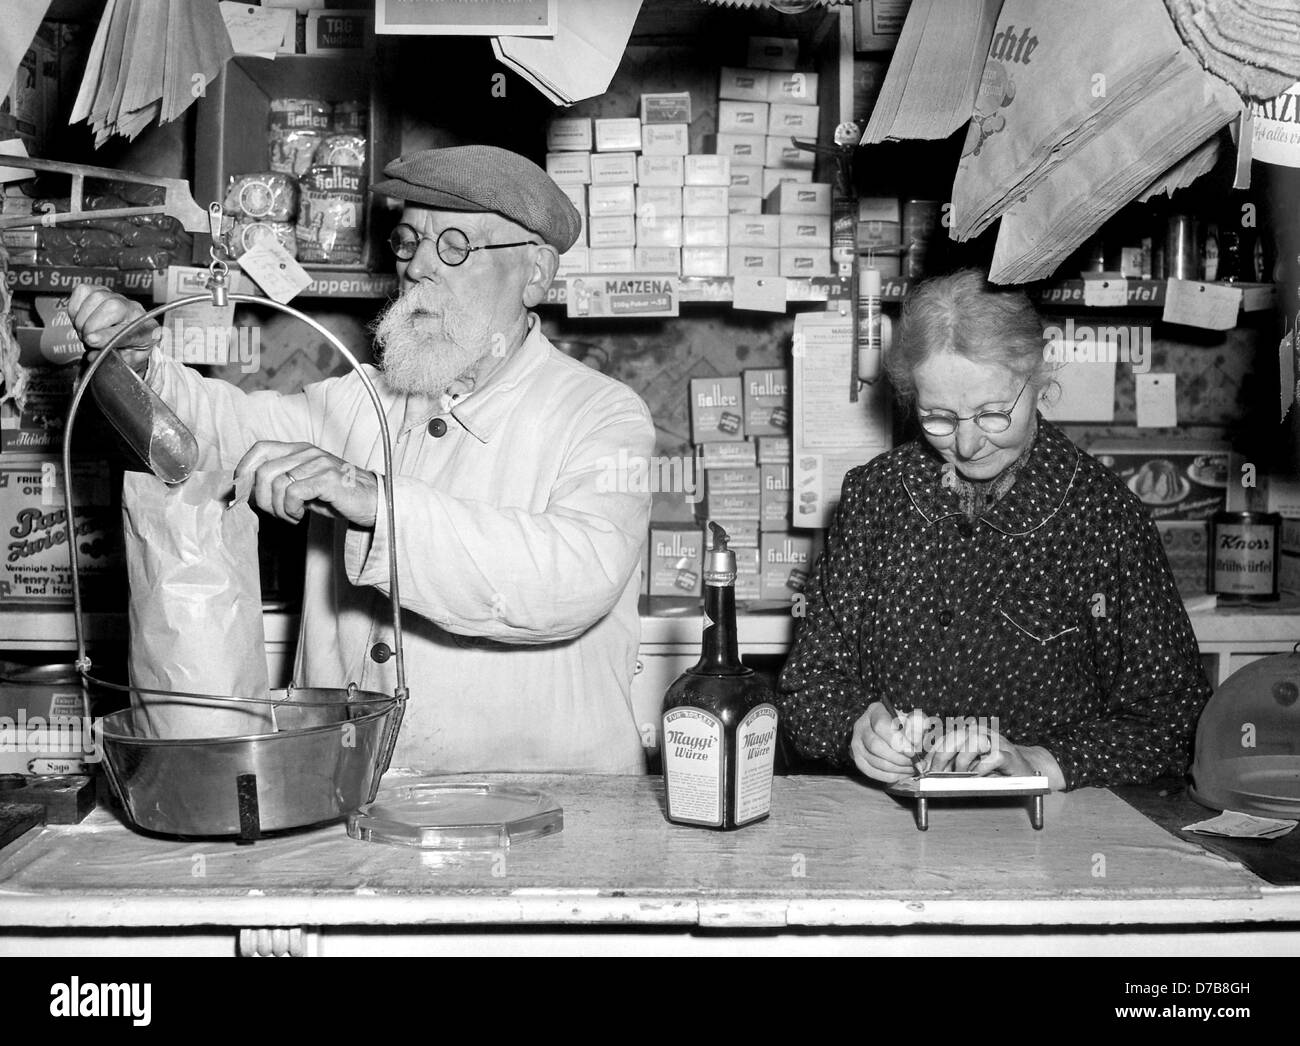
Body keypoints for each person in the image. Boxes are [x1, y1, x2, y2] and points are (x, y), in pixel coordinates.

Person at [68, 145, 656, 774]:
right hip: (360, 793)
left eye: (454, 245)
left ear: (535, 272)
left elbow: (578, 575)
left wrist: (376, 501)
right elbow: (214, 432)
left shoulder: (604, 414)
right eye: (408, 241)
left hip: (551, 802)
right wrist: (135, 364)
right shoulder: (363, 397)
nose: (419, 267)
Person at [777, 269, 1211, 790]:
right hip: (886, 830)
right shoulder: (875, 499)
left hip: (1045, 835)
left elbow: (1173, 714)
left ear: (1038, 375)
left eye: (992, 413)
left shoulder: (1105, 518)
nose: (965, 445)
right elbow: (808, 683)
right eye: (937, 416)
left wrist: (1041, 763)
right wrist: (855, 729)